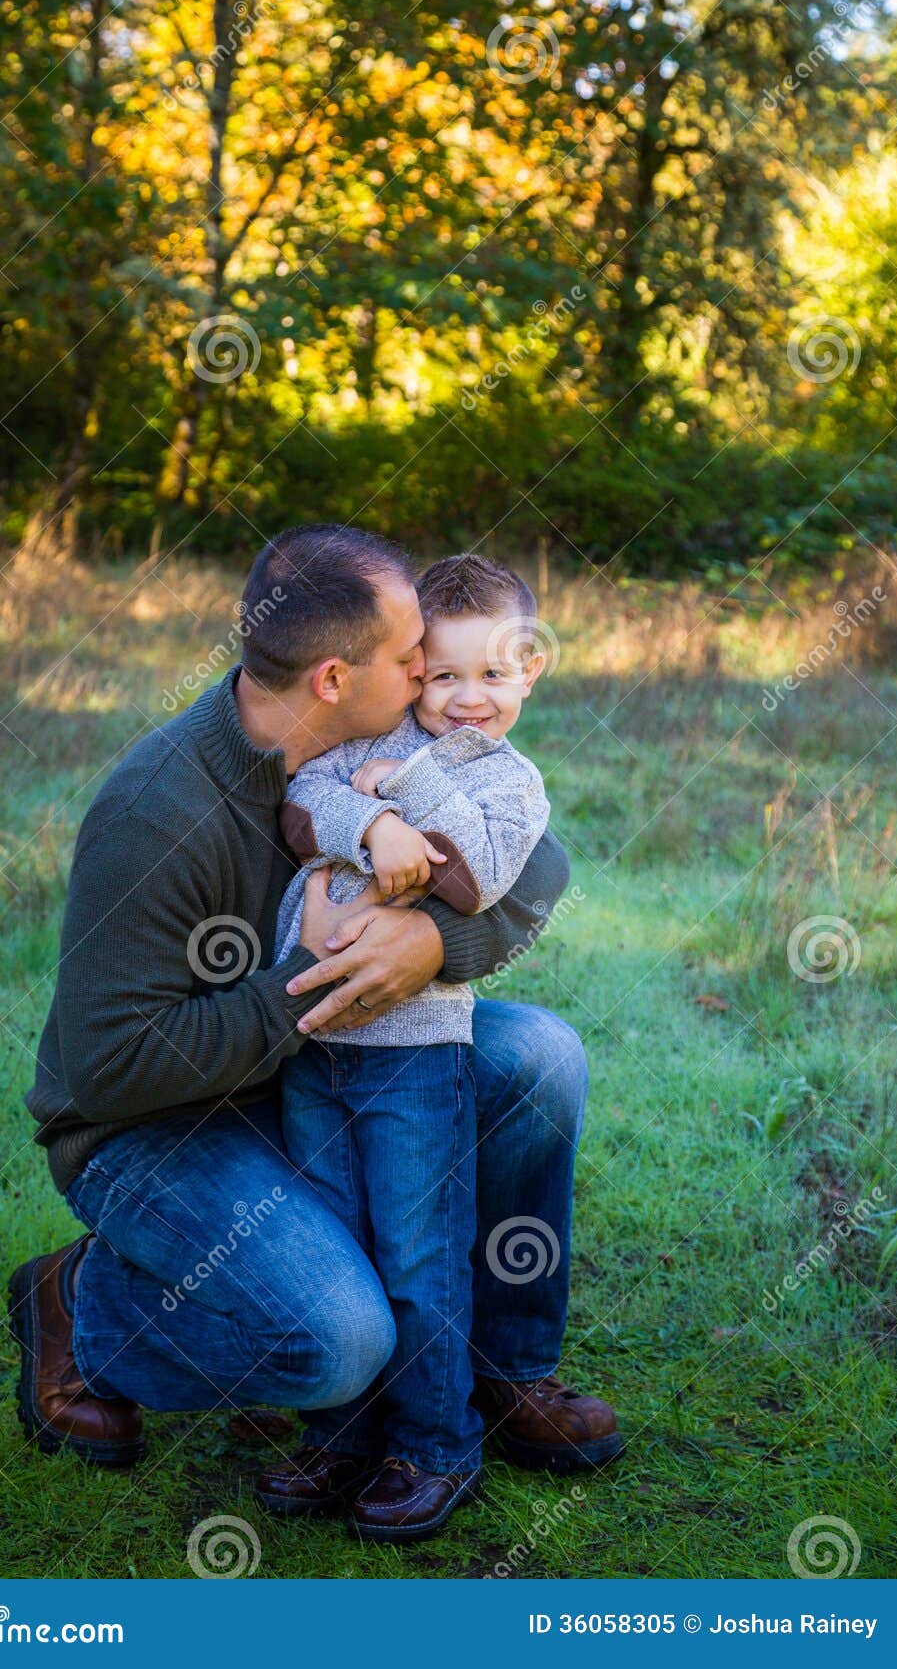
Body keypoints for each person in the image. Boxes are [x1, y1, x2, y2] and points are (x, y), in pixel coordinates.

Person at [9, 524, 621, 1525]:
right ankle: (84, 1304)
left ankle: (500, 1368)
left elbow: (537, 863)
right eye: (409, 652)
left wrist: (431, 947)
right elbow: (110, 1068)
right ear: (336, 676)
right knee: (336, 1340)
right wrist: (309, 978)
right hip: (158, 1125)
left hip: (328, 1061)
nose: (431, 667)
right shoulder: (157, 813)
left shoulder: (380, 741)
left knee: (538, 1057)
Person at [260, 554, 556, 1542]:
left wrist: (415, 781)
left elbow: (469, 879)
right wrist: (376, 819)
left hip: (413, 1054)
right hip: (314, 1050)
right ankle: (341, 1434)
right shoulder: (374, 743)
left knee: (417, 1254)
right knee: (336, 1237)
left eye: (490, 675)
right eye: (440, 675)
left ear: (530, 670)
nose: (465, 699)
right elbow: (303, 800)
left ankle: (434, 1444)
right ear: (412, 669)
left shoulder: (513, 784)